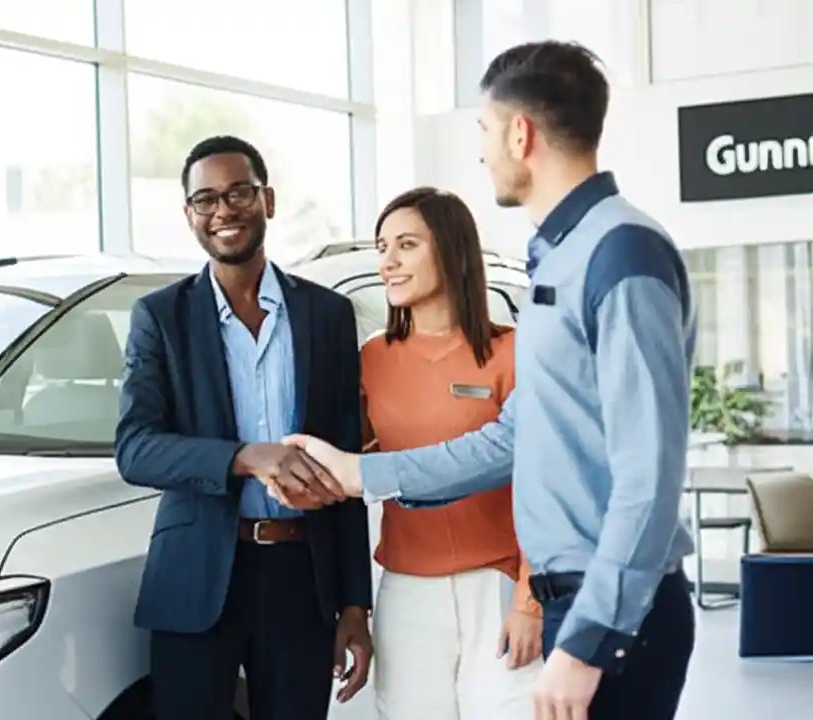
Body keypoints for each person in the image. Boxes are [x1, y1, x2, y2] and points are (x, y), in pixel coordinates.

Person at [279, 41, 697, 720]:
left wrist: (586, 640)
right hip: (579, 603)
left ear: (519, 132)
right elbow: (513, 443)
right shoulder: (560, 259)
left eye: (482, 130)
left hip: (610, 615)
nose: (481, 152)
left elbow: (647, 472)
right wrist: (358, 474)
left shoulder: (619, 254)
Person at [114, 135, 373, 720]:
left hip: (301, 580)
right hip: (197, 575)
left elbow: (346, 457)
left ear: (268, 200)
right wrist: (247, 457)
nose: (223, 210)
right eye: (205, 199)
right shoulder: (160, 317)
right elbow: (135, 448)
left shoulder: (326, 315)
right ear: (189, 216)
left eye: (238, 193)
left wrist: (355, 603)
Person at [361, 187, 541, 719]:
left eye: (406, 244)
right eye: (382, 246)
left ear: (452, 250)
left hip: (498, 588)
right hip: (406, 592)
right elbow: (355, 467)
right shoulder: (371, 359)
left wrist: (530, 601)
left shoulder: (514, 351)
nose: (388, 261)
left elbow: (544, 483)